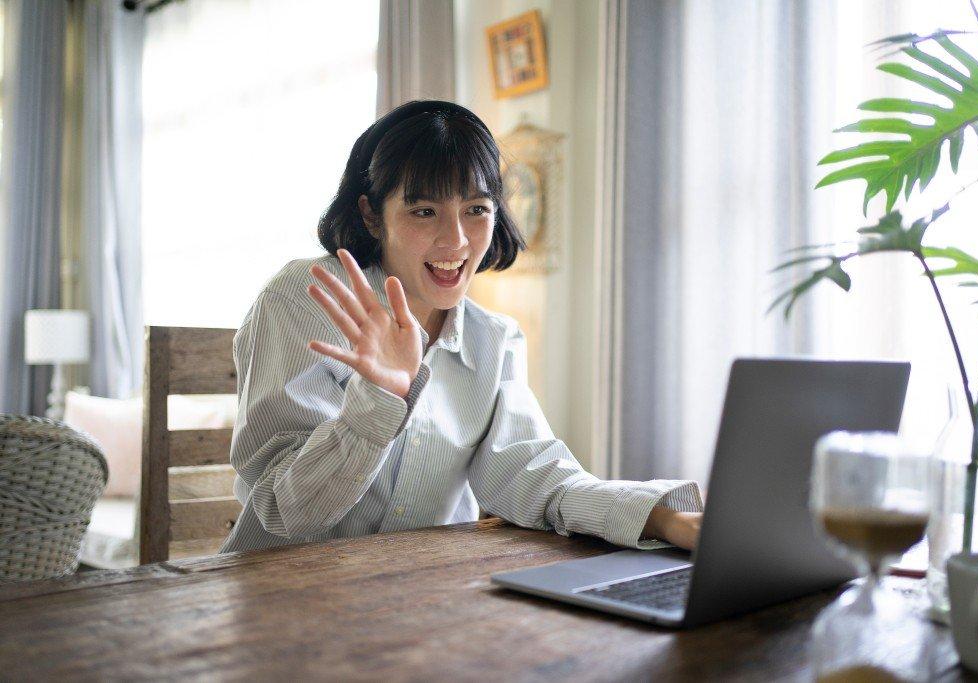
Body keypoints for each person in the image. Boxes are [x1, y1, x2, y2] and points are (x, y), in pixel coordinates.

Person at [218, 100, 703, 555]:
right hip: (282, 599)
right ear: (370, 214)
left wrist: (661, 520)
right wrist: (380, 400)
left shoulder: (493, 339)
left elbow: (534, 476)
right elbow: (287, 514)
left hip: (423, 600)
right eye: (423, 211)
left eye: (476, 210)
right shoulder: (305, 297)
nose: (455, 240)